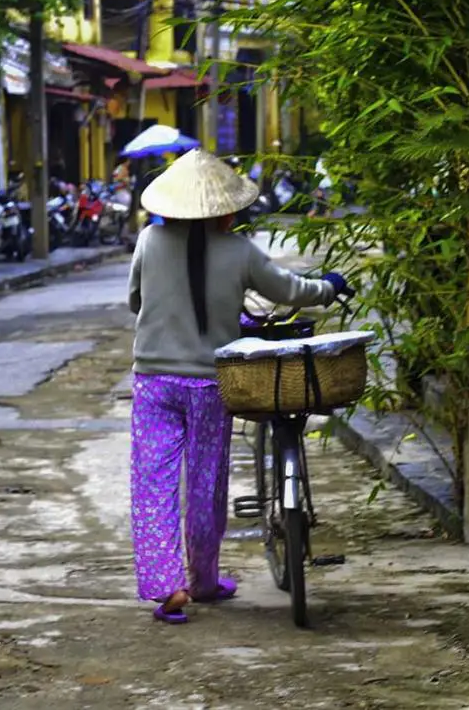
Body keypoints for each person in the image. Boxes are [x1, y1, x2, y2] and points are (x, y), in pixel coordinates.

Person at [127, 149, 349, 624]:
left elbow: (134, 300)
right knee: (205, 484)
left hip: (153, 383)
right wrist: (329, 286)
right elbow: (290, 291)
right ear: (226, 210)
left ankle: (168, 588)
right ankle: (204, 580)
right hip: (211, 384)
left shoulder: (149, 240)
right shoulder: (240, 251)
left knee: (153, 484)